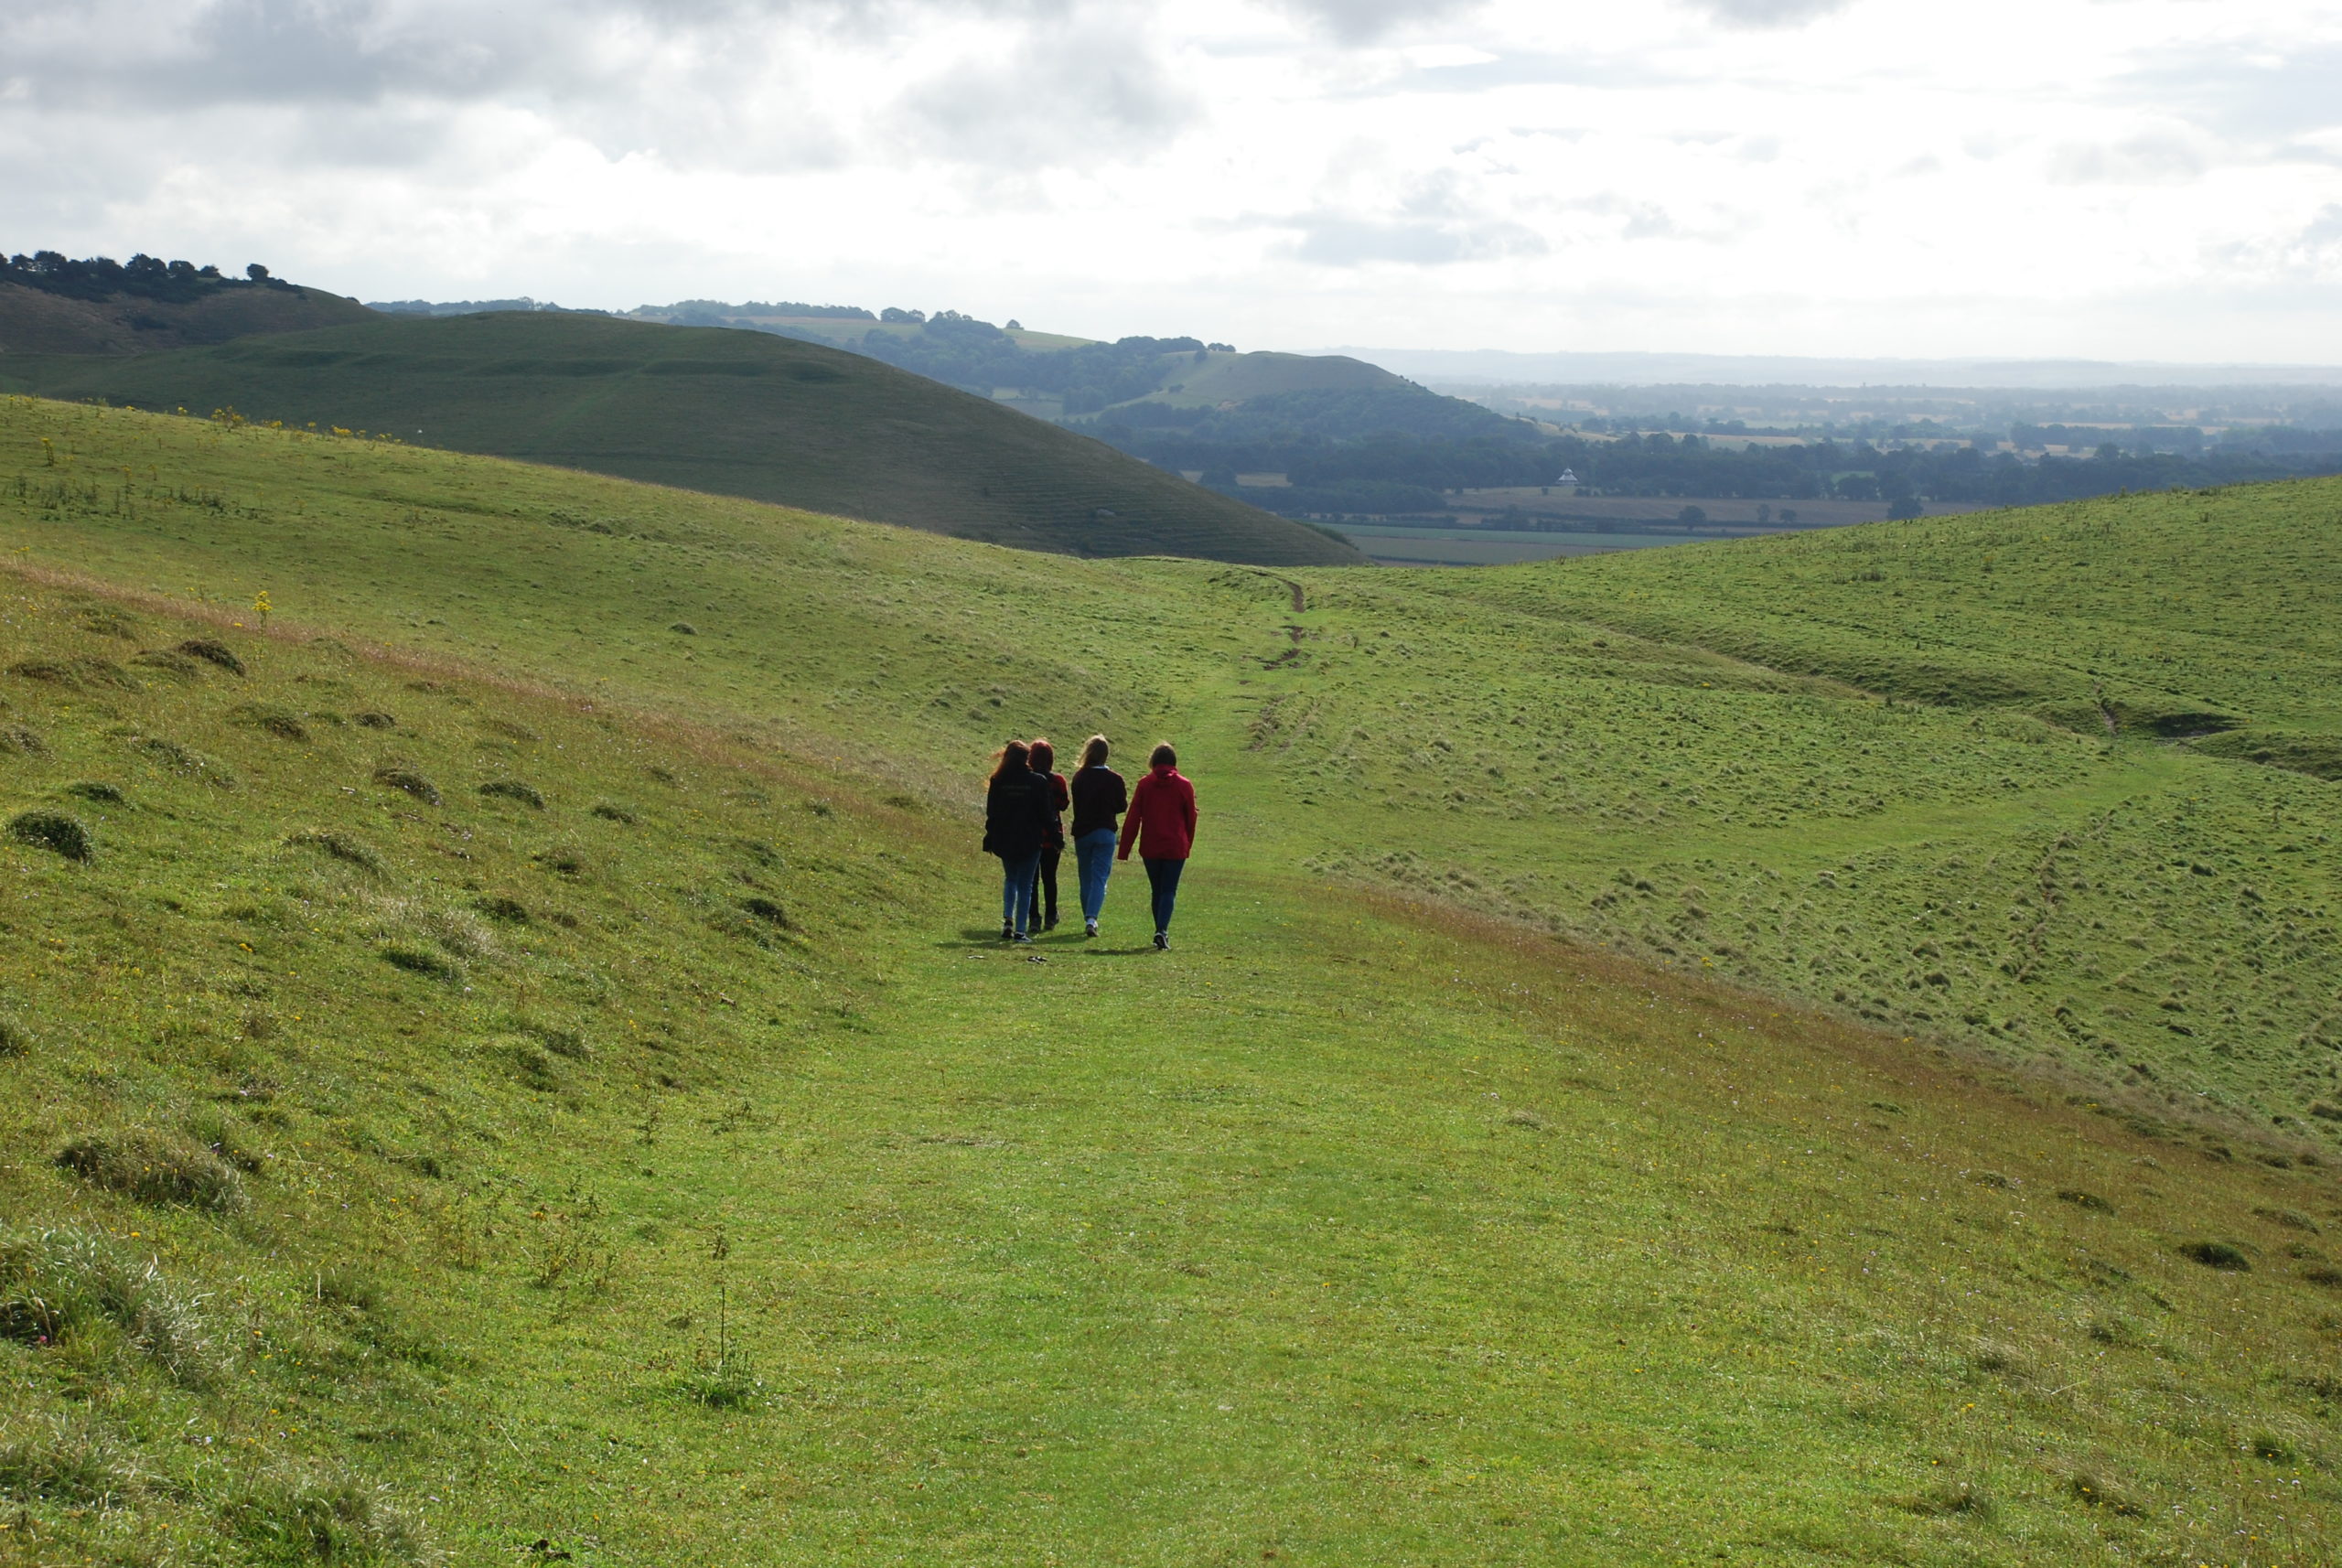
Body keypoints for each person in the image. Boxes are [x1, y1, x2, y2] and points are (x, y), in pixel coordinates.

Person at [1116, 741, 1197, 950]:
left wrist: (1124, 848)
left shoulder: (1145, 784)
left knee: (1157, 890)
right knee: (1169, 890)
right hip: (1175, 845)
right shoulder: (1184, 785)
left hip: (1151, 845)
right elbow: (1191, 818)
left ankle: (1159, 929)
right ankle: (1162, 930)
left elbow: (1134, 816)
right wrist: (1187, 842)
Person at [982, 740, 1054, 942]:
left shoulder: (998, 781)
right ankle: (1021, 930)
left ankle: (1007, 920)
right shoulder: (1038, 782)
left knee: (1010, 879)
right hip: (1030, 839)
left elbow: (992, 813)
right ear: (1026, 758)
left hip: (1005, 839)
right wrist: (1055, 837)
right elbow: (1045, 814)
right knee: (1026, 884)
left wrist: (990, 837)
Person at [1067, 735, 1127, 939]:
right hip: (1105, 831)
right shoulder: (1115, 779)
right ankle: (1091, 918)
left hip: (1083, 831)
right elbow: (1121, 806)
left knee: (1085, 877)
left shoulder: (1079, 777)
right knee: (1100, 877)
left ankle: (1088, 917)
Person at [1026, 738, 1071, 932]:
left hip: (1031, 834)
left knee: (1032, 880)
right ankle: (1051, 915)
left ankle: (1034, 917)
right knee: (1050, 877)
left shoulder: (1027, 779)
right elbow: (1063, 804)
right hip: (1052, 836)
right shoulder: (1058, 781)